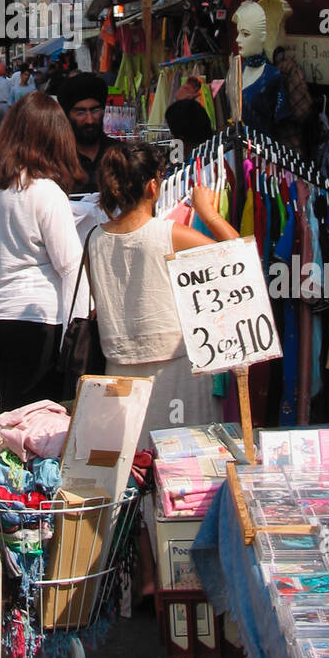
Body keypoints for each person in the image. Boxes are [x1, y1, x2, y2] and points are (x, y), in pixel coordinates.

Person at [88, 141, 239, 442]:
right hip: (175, 371)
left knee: (132, 461)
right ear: (154, 186)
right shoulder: (168, 234)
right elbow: (238, 255)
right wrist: (208, 213)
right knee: (183, 461)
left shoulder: (95, 238)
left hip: (119, 369)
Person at [0, 93, 83, 411]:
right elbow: (71, 267)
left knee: (11, 406)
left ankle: (5, 461)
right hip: (36, 316)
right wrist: (76, 332)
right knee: (39, 415)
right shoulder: (45, 191)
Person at [57, 72, 114, 193]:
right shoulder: (57, 158)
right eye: (80, 112)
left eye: (95, 110)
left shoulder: (119, 154)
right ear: (68, 116)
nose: (90, 120)